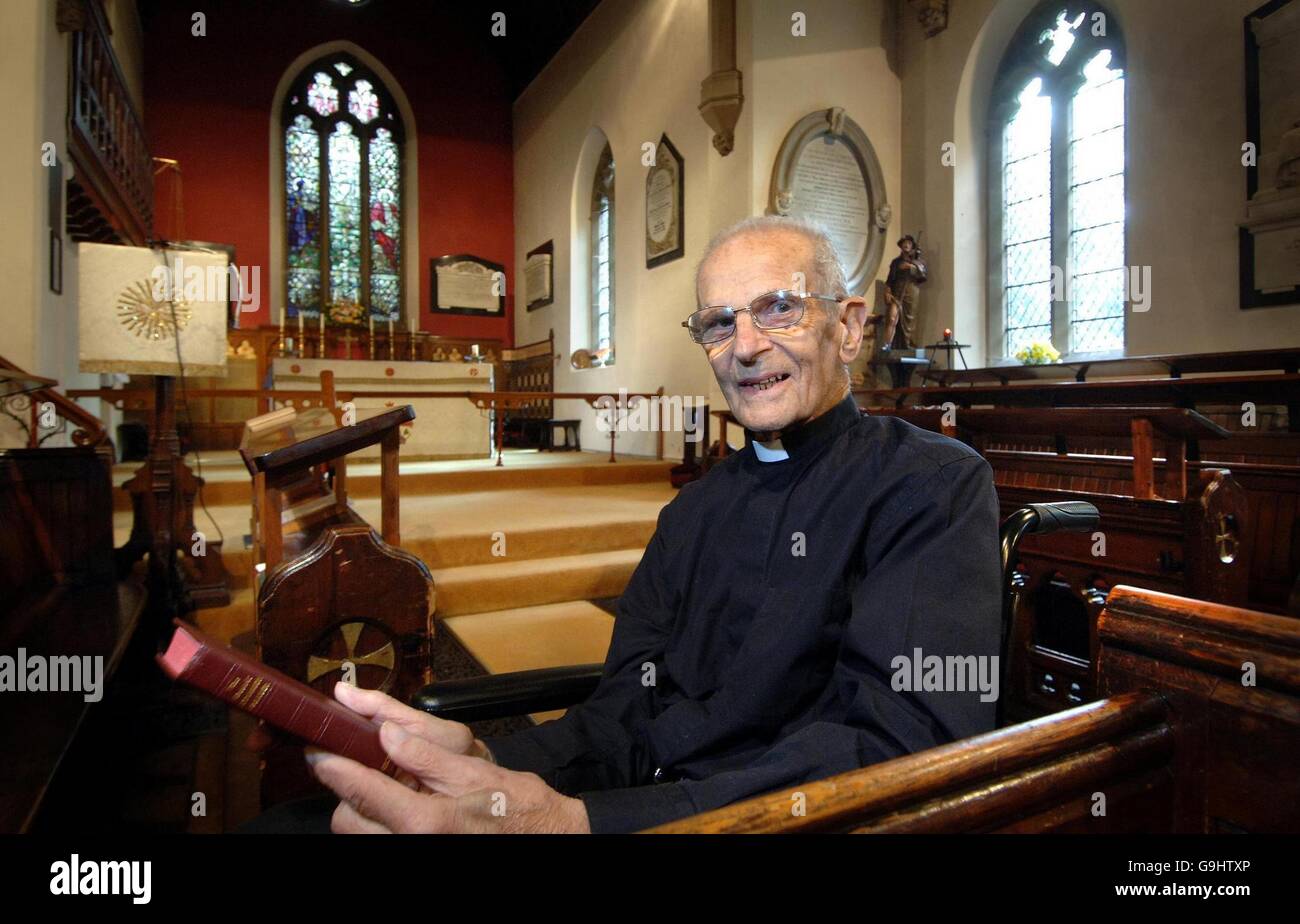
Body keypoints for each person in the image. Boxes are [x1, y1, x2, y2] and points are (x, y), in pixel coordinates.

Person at [305, 216, 1001, 834]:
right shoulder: (691, 513)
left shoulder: (928, 487)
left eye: (779, 309)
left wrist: (577, 823)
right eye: (719, 323)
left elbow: (901, 748)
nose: (746, 347)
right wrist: (485, 759)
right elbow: (621, 716)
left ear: (848, 327)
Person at [883, 234, 927, 352]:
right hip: (897, 293)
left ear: (912, 246)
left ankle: (907, 344)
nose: (906, 245)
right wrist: (887, 291)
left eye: (909, 243)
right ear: (901, 246)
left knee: (909, 320)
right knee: (892, 318)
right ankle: (887, 345)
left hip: (911, 293)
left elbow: (923, 275)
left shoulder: (917, 261)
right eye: (904, 243)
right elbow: (890, 279)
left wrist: (911, 267)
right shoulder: (896, 262)